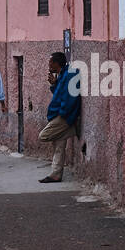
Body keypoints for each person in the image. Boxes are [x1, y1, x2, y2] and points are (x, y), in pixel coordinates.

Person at [39, 51, 82, 183]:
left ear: (57, 63)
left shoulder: (70, 75)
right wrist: (54, 84)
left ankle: (72, 130)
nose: (49, 65)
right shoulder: (63, 74)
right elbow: (59, 92)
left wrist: (63, 114)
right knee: (59, 146)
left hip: (62, 116)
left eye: (50, 62)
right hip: (58, 114)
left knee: (43, 136)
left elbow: (70, 97)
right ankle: (56, 174)